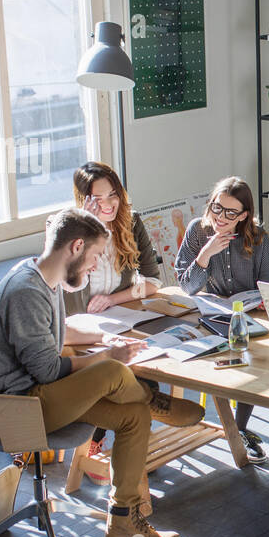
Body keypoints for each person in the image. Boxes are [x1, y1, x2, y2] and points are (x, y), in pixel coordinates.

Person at [0, 207, 205, 537]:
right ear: (76, 247)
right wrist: (106, 358)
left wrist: (107, 343)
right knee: (110, 373)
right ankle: (154, 401)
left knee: (133, 417)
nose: (95, 266)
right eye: (94, 256)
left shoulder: (39, 277)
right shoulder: (26, 292)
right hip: (12, 412)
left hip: (31, 395)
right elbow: (48, 370)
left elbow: (57, 334)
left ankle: (123, 523)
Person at [174, 176, 269, 467]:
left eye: (231, 213)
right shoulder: (198, 230)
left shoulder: (258, 237)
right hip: (213, 319)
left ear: (244, 215)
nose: (221, 218)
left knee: (268, 358)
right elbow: (186, 286)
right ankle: (243, 429)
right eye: (217, 208)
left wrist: (258, 302)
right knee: (245, 355)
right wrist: (206, 254)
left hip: (254, 317)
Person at [65, 162, 162, 478]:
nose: (107, 205)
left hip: (121, 319)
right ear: (83, 201)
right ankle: (103, 439)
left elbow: (152, 282)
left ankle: (133, 440)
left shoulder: (130, 223)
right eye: (97, 199)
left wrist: (113, 299)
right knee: (114, 371)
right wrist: (89, 228)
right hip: (78, 330)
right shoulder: (70, 232)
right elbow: (67, 289)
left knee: (148, 360)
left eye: (113, 196)